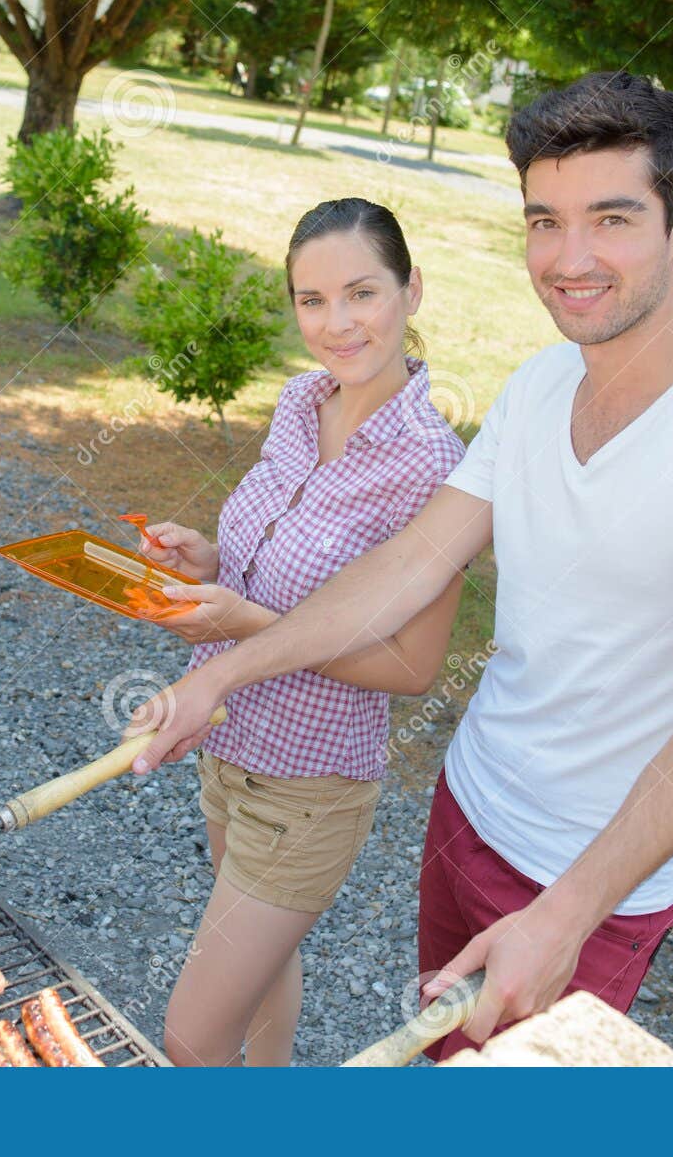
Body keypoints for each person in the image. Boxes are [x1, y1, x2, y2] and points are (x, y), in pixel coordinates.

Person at [127, 71, 673, 1060]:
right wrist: (221, 672)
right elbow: (409, 563)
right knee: (438, 1068)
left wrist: (568, 915)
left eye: (610, 219)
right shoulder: (540, 383)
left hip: (589, 883)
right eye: (543, 222)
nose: (569, 258)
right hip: (468, 811)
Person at [137, 198, 467, 1066]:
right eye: (311, 300)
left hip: (309, 790)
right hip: (226, 744)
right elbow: (275, 555)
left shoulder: (434, 464)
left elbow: (416, 667)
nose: (337, 323)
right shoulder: (297, 403)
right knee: (258, 975)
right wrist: (208, 561)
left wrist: (248, 622)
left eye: (361, 293)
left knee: (189, 1033)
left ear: (412, 290)